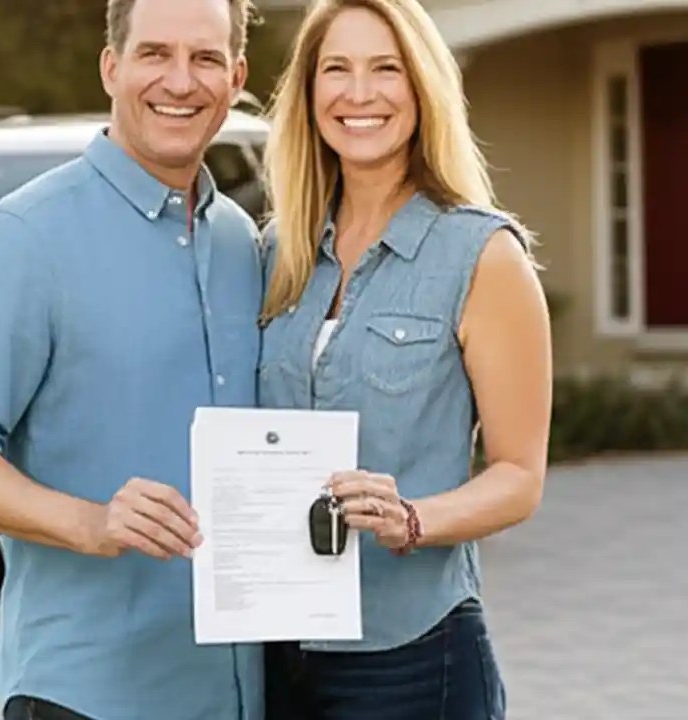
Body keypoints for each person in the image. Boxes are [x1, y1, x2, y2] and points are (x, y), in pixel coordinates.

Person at [0, 0, 266, 718]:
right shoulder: (24, 237)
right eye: (155, 54)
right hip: (88, 695)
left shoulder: (239, 241)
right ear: (112, 67)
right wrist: (91, 522)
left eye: (206, 58)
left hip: (238, 693)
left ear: (236, 76)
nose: (181, 81)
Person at [256, 0, 553, 717]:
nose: (360, 94)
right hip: (276, 652)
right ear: (308, 93)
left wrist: (413, 519)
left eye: (385, 68)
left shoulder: (482, 255)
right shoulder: (277, 255)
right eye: (337, 70)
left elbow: (519, 476)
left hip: (414, 656)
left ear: (422, 88)